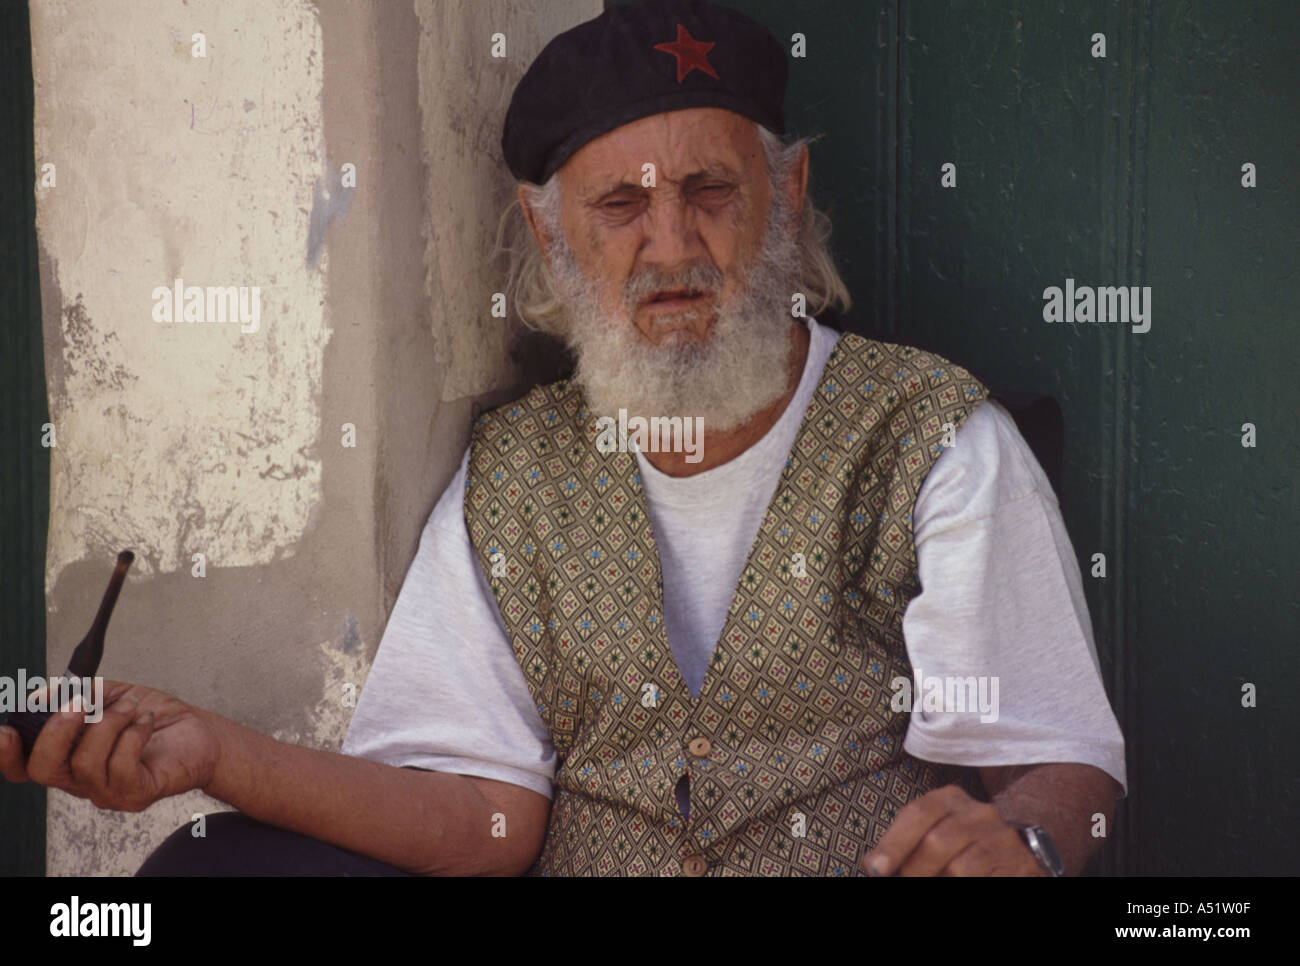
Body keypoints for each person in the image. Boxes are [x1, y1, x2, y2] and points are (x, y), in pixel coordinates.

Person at [0, 0, 1124, 877]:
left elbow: (1052, 759)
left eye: (710, 192)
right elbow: (481, 818)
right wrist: (214, 756)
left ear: (786, 196)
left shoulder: (927, 438)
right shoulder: (519, 478)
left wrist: (1022, 843)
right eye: (621, 209)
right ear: (549, 231)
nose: (669, 244)